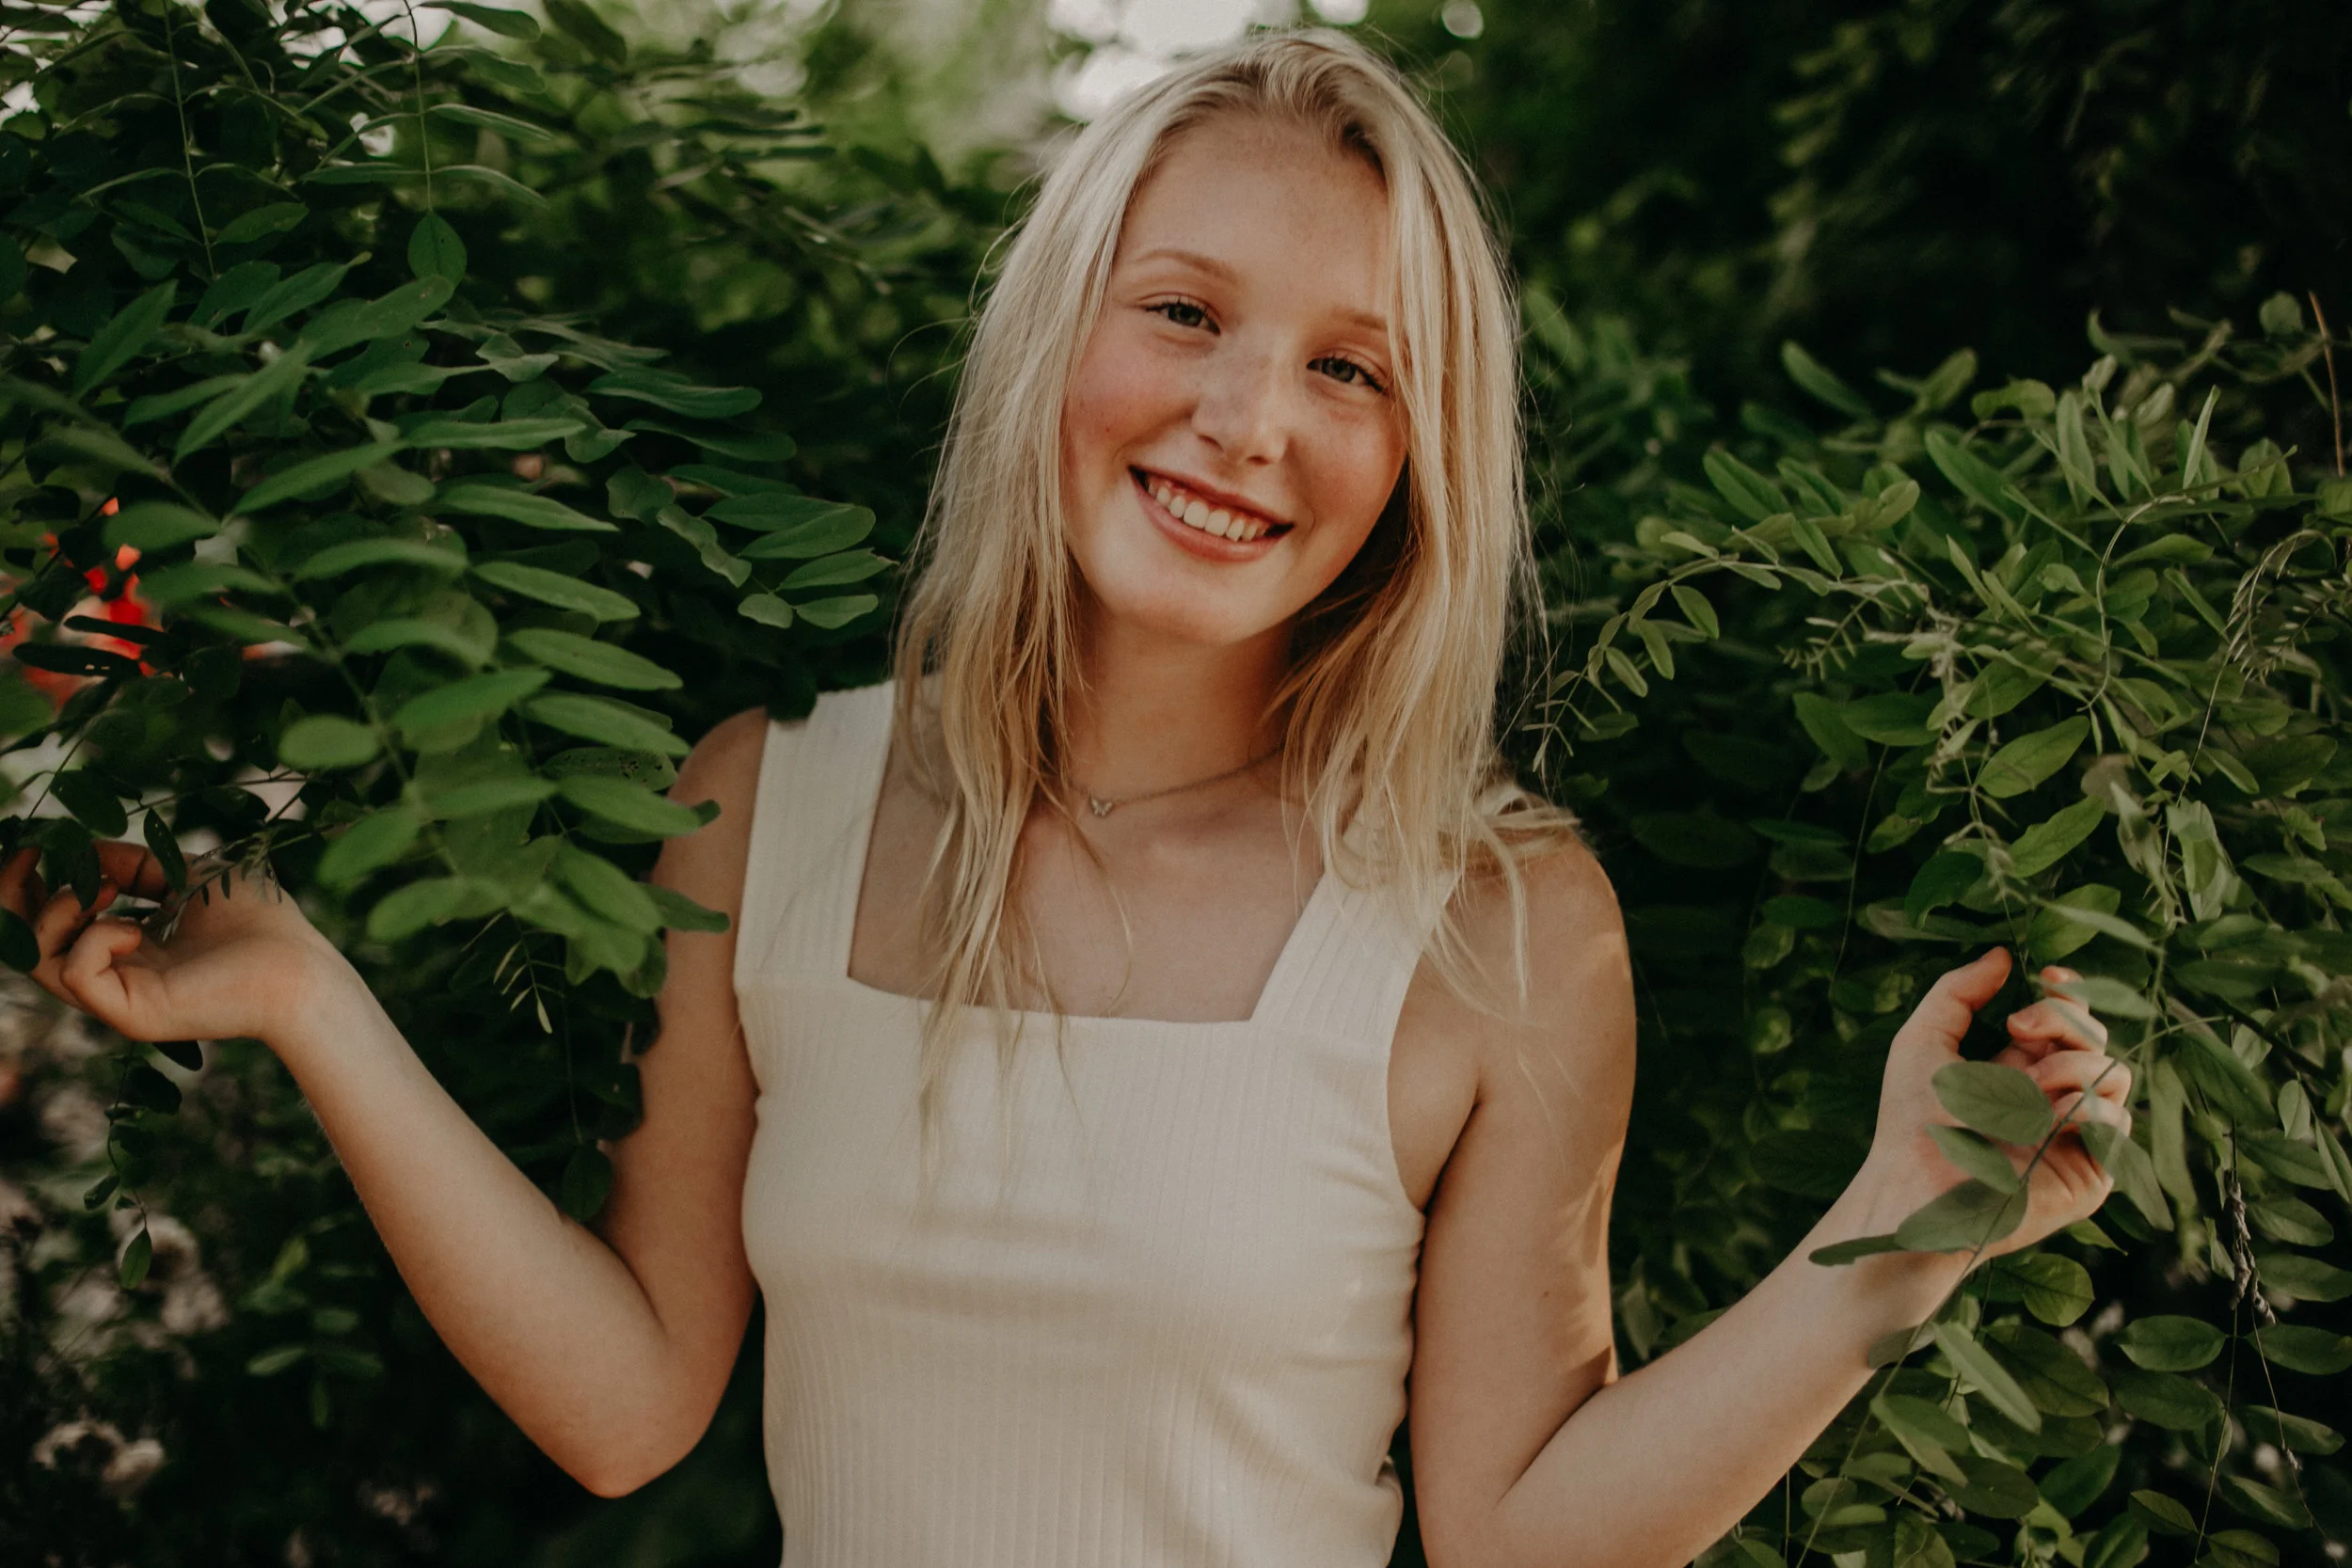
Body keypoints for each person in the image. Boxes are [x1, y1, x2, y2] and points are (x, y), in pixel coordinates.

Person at [0, 30, 2130, 1568]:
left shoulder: (1492, 915)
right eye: (1184, 312)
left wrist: (1895, 1237)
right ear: (1053, 342)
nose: (1240, 419)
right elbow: (633, 1398)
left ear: (1418, 456)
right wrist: (303, 992)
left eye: (1346, 365)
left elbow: (1517, 1535)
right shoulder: (769, 804)